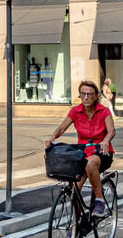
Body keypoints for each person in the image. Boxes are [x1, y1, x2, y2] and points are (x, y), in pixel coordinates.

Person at [44, 80, 116, 217]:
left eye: (90, 94)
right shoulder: (75, 111)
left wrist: (106, 140)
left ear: (96, 96)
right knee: (74, 191)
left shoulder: (104, 111)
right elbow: (61, 128)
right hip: (82, 154)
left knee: (91, 164)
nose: (86, 97)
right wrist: (52, 139)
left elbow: (111, 130)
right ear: (80, 95)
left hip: (102, 153)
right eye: (83, 94)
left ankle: (99, 201)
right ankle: (78, 223)